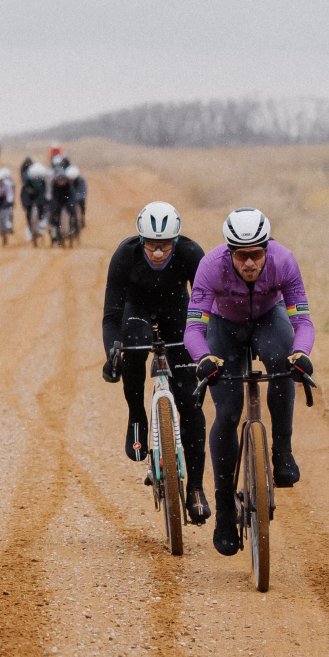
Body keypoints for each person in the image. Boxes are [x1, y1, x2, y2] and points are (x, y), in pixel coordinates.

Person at [185, 208, 315, 556]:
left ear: (266, 248)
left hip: (267, 320)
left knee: (283, 361)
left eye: (256, 254)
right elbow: (194, 329)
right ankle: (225, 508)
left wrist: (301, 353)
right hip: (225, 327)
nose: (249, 263)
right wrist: (203, 359)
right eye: (241, 255)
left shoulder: (284, 261)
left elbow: (302, 322)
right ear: (229, 251)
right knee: (227, 412)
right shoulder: (211, 265)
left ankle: (282, 450)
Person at [102, 202, 210, 523]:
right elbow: (111, 316)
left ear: (176, 242)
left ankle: (196, 489)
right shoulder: (125, 256)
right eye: (151, 245)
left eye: (165, 246)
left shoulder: (192, 254)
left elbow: (207, 308)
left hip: (178, 309)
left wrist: (206, 348)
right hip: (136, 309)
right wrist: (113, 350)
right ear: (141, 241)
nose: (158, 253)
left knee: (190, 402)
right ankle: (137, 412)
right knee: (133, 348)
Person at [21, 162, 51, 243]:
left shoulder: (43, 182)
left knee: (43, 212)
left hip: (40, 200)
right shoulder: (28, 182)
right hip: (30, 200)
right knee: (29, 214)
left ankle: (41, 227)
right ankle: (30, 229)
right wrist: (26, 204)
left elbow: (45, 193)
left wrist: (44, 202)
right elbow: (24, 194)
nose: (36, 178)